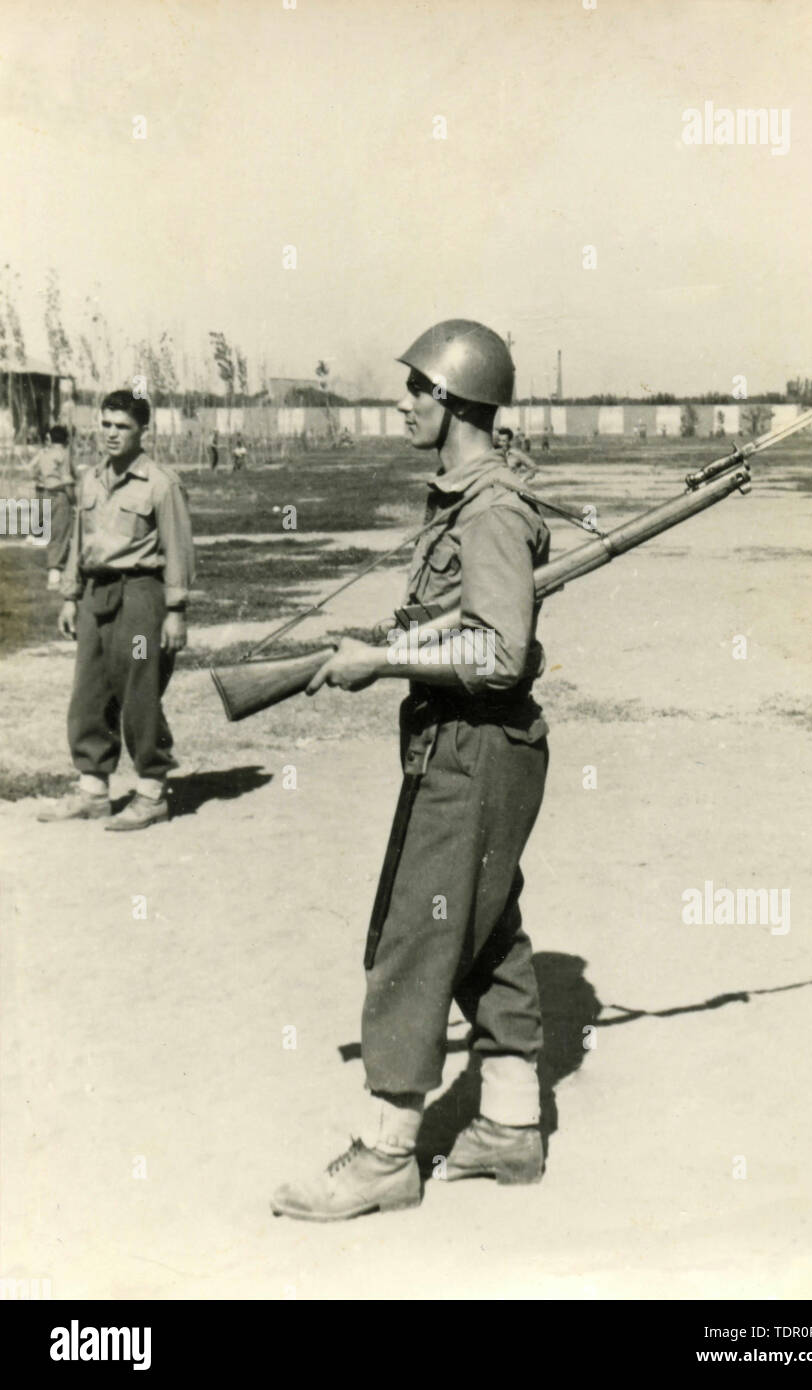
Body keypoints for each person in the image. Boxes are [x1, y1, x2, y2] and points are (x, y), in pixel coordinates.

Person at [271, 319, 551, 1221]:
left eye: (414, 392)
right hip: (461, 745)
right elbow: (457, 623)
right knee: (482, 927)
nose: (401, 405)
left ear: (454, 401)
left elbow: (502, 653)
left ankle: (387, 1154)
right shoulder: (467, 499)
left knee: (415, 940)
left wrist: (379, 664)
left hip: (478, 747)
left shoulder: (494, 510)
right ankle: (508, 1127)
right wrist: (389, 648)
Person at [37, 389, 195, 831]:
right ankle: (93, 790)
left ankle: (151, 790)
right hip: (95, 596)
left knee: (139, 687)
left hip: (141, 599)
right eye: (106, 424)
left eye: (122, 426)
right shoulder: (89, 480)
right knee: (88, 690)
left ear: (143, 430)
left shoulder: (161, 483)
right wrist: (70, 596)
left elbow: (178, 549)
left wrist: (176, 611)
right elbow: (76, 545)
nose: (111, 433)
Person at [29, 424, 77, 587]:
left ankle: (59, 572)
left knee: (54, 534)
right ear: (66, 439)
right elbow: (67, 481)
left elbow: (34, 473)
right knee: (61, 534)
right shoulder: (63, 454)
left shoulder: (45, 455)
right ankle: (55, 574)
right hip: (60, 494)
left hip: (45, 494)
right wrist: (74, 501)